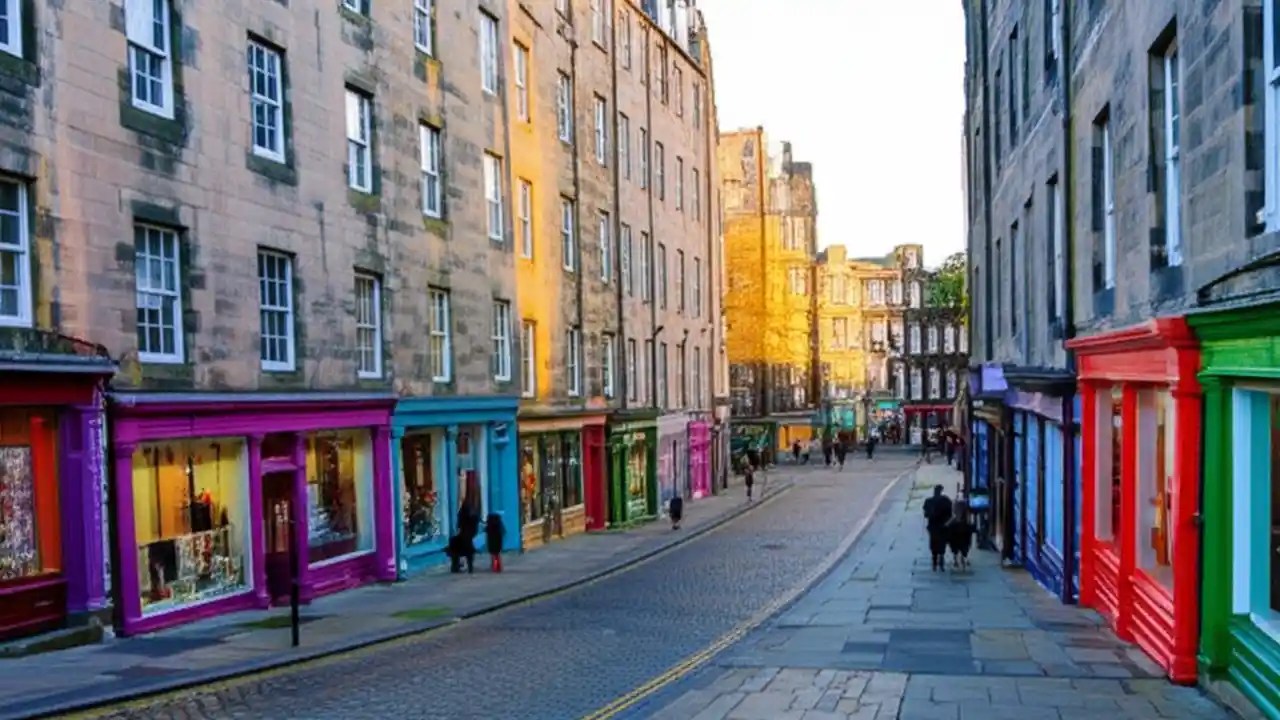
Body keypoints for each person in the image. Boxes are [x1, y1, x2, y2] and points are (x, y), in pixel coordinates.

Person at [922, 484, 954, 572]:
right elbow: (950, 514)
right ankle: (941, 562)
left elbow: (926, 514)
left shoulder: (929, 501)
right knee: (942, 544)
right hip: (942, 526)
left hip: (933, 526)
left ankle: (934, 563)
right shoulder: (946, 501)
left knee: (933, 543)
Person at [449, 496, 481, 574]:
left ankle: (455, 566)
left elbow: (459, 525)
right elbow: (475, 522)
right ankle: (469, 567)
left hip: (463, 536)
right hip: (467, 537)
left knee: (456, 550)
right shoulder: (472, 514)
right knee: (468, 552)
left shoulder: (462, 513)